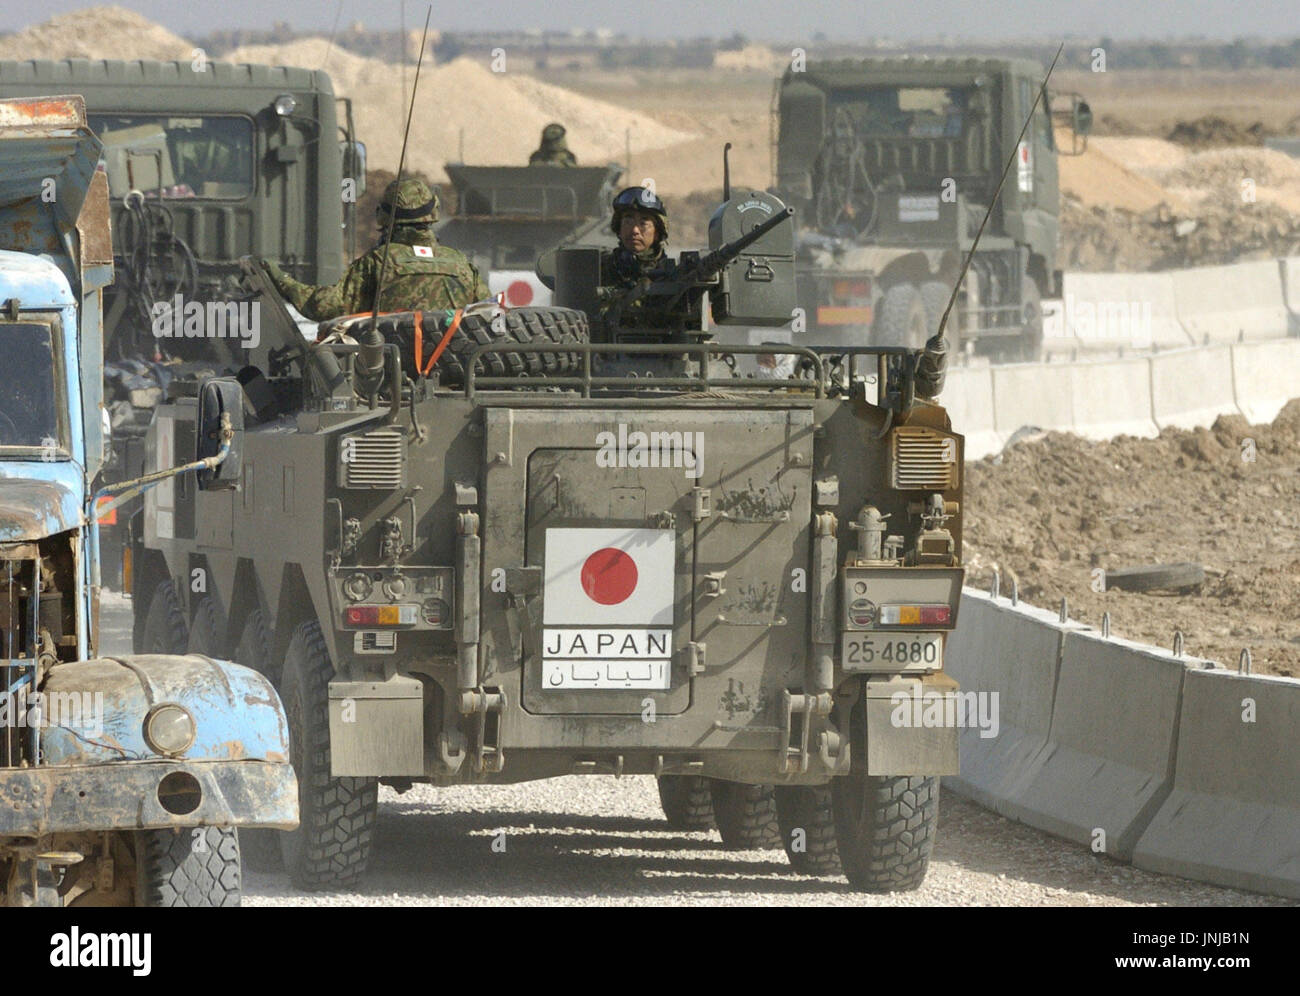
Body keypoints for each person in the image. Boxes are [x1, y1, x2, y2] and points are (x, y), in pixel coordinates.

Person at [261, 178, 489, 320]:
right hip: (453, 372)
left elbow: (324, 307)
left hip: (388, 375)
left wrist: (281, 280)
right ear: (434, 213)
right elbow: (486, 313)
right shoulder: (461, 264)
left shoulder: (376, 262)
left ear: (383, 216)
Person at [596, 186, 674, 329]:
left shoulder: (672, 275)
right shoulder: (600, 268)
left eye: (643, 223)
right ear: (618, 228)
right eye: (628, 221)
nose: (635, 230)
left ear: (657, 232)